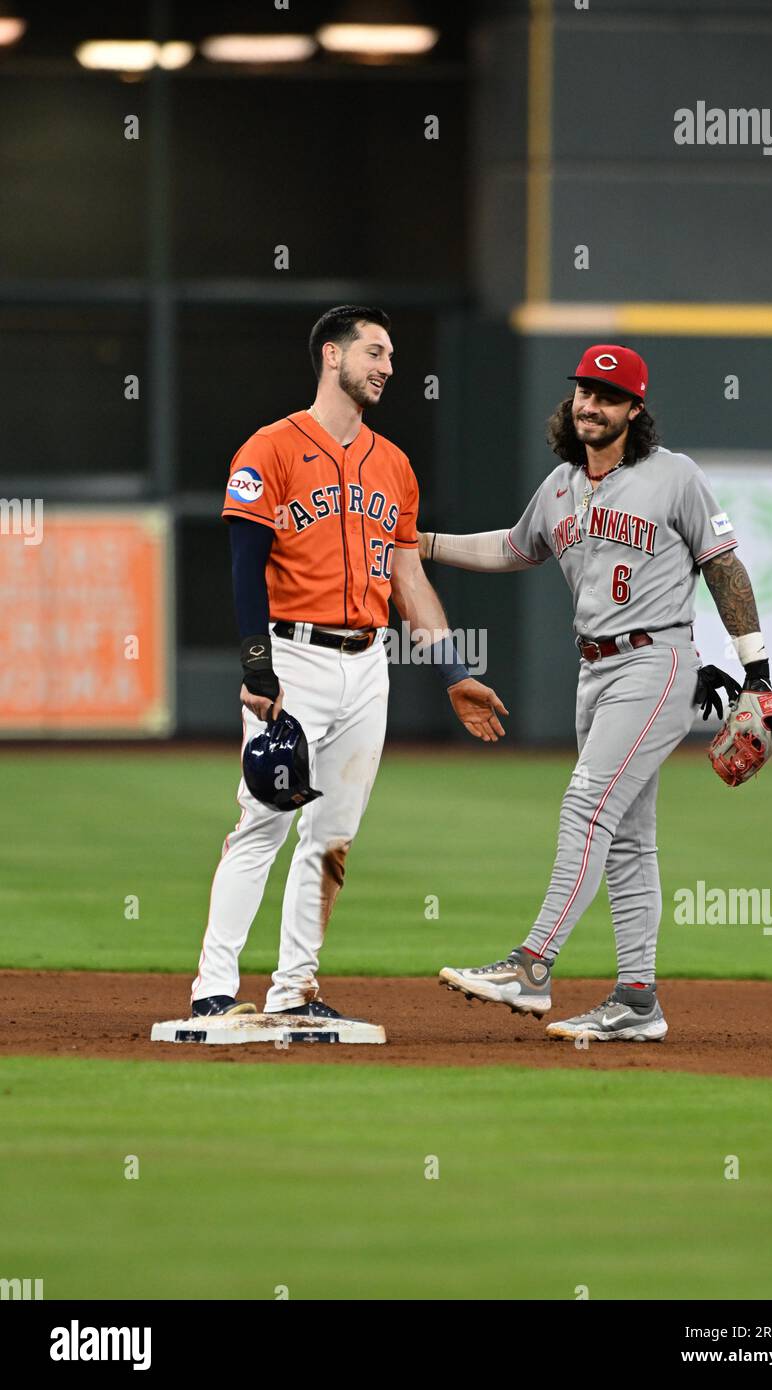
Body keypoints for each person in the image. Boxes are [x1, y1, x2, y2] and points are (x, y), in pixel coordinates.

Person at [425, 343, 772, 1042]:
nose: (591, 404)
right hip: (595, 670)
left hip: (654, 665)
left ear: (634, 410)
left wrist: (757, 672)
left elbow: (724, 569)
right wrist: (422, 543)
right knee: (624, 841)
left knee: (587, 805)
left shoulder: (672, 475)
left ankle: (531, 966)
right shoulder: (562, 485)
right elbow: (513, 548)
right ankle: (637, 1001)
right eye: (584, 391)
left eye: (608, 396)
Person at [190, 305, 507, 1021]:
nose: (388, 366)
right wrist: (256, 666)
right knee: (264, 820)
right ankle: (213, 988)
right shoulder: (269, 448)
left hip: (369, 664)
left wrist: (454, 670)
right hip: (293, 656)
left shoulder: (392, 465)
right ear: (331, 357)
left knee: (333, 836)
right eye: (374, 351)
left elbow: (407, 578)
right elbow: (244, 563)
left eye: (391, 355)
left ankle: (296, 989)